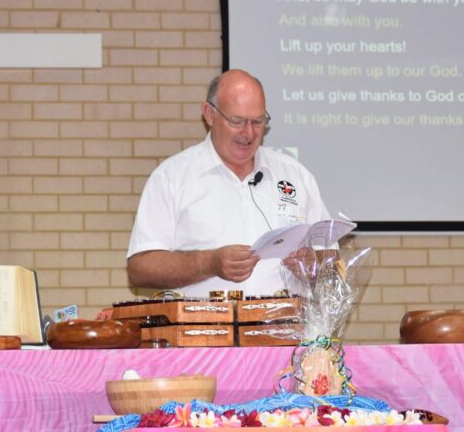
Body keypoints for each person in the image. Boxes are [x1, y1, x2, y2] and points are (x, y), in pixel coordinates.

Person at [126, 69, 331, 297]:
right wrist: (209, 263)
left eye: (257, 121)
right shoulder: (172, 177)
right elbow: (140, 268)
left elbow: (333, 264)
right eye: (237, 121)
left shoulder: (295, 175)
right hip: (203, 330)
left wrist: (313, 266)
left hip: (287, 329)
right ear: (209, 114)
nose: (249, 133)